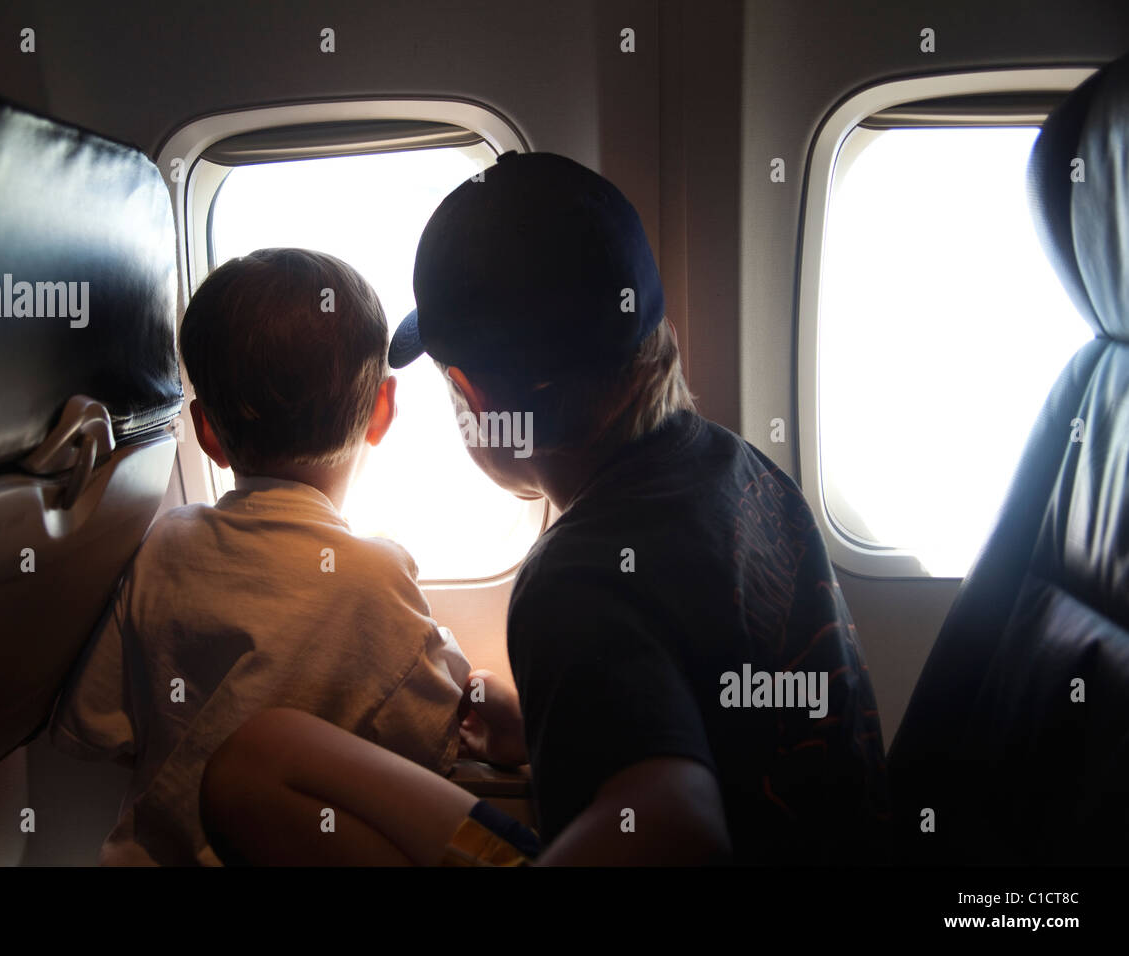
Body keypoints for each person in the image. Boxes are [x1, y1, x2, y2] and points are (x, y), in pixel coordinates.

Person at [200, 152, 890, 866]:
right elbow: (716, 732)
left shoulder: (575, 579)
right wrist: (549, 728)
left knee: (246, 780)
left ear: (477, 400)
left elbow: (678, 823)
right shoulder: (746, 473)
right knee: (266, 754)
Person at [49, 247, 470, 866]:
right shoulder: (376, 577)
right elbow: (431, 733)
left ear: (207, 433)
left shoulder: (163, 546)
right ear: (383, 409)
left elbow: (98, 726)